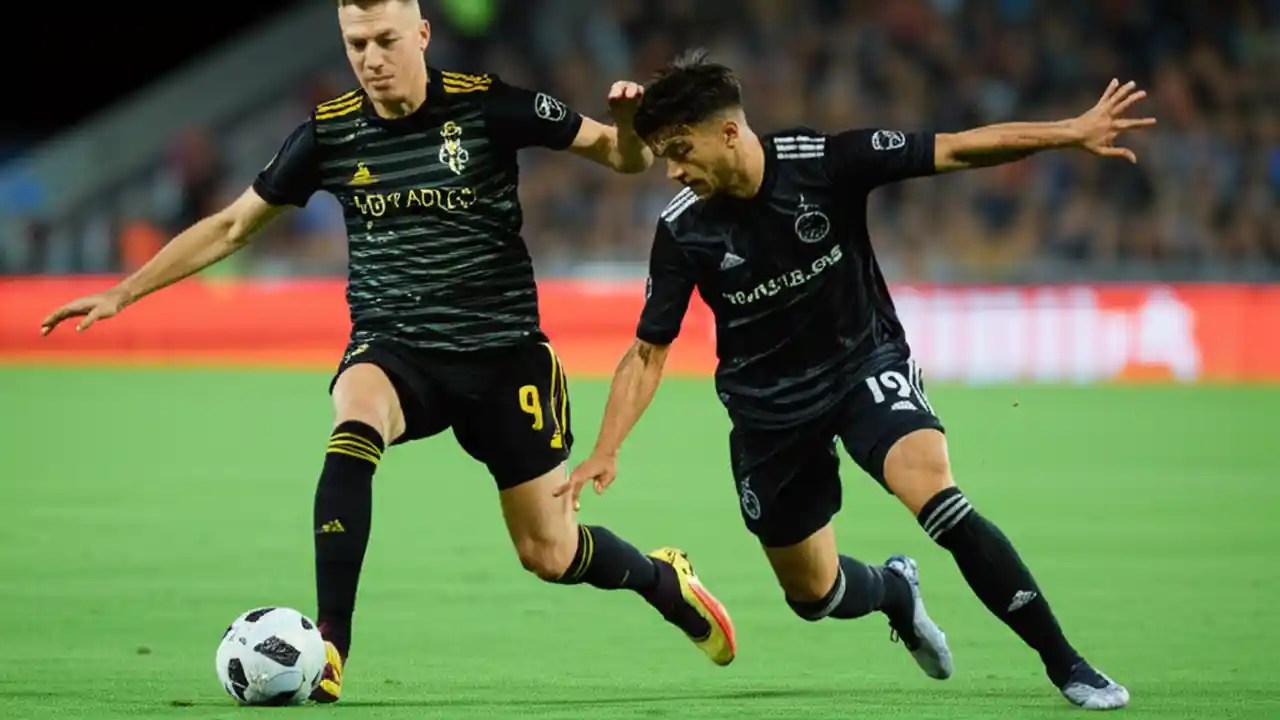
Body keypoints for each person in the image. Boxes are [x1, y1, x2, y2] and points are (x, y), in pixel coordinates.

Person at [39, 2, 735, 704]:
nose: (370, 58)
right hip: (395, 348)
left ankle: (661, 579)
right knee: (354, 424)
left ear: (423, 36)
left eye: (384, 41)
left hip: (504, 358)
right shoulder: (331, 132)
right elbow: (231, 228)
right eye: (355, 44)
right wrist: (124, 293)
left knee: (550, 554)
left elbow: (625, 157)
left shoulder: (489, 106)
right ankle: (331, 647)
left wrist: (622, 122)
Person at [561, 49, 1156, 711]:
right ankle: (897, 592)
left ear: (729, 132)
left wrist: (1070, 131)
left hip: (862, 365)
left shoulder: (824, 162)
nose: (671, 169)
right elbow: (648, 352)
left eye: (679, 149)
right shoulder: (681, 231)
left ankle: (1066, 663)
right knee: (813, 597)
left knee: (937, 495)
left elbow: (957, 149)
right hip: (769, 412)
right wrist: (606, 448)